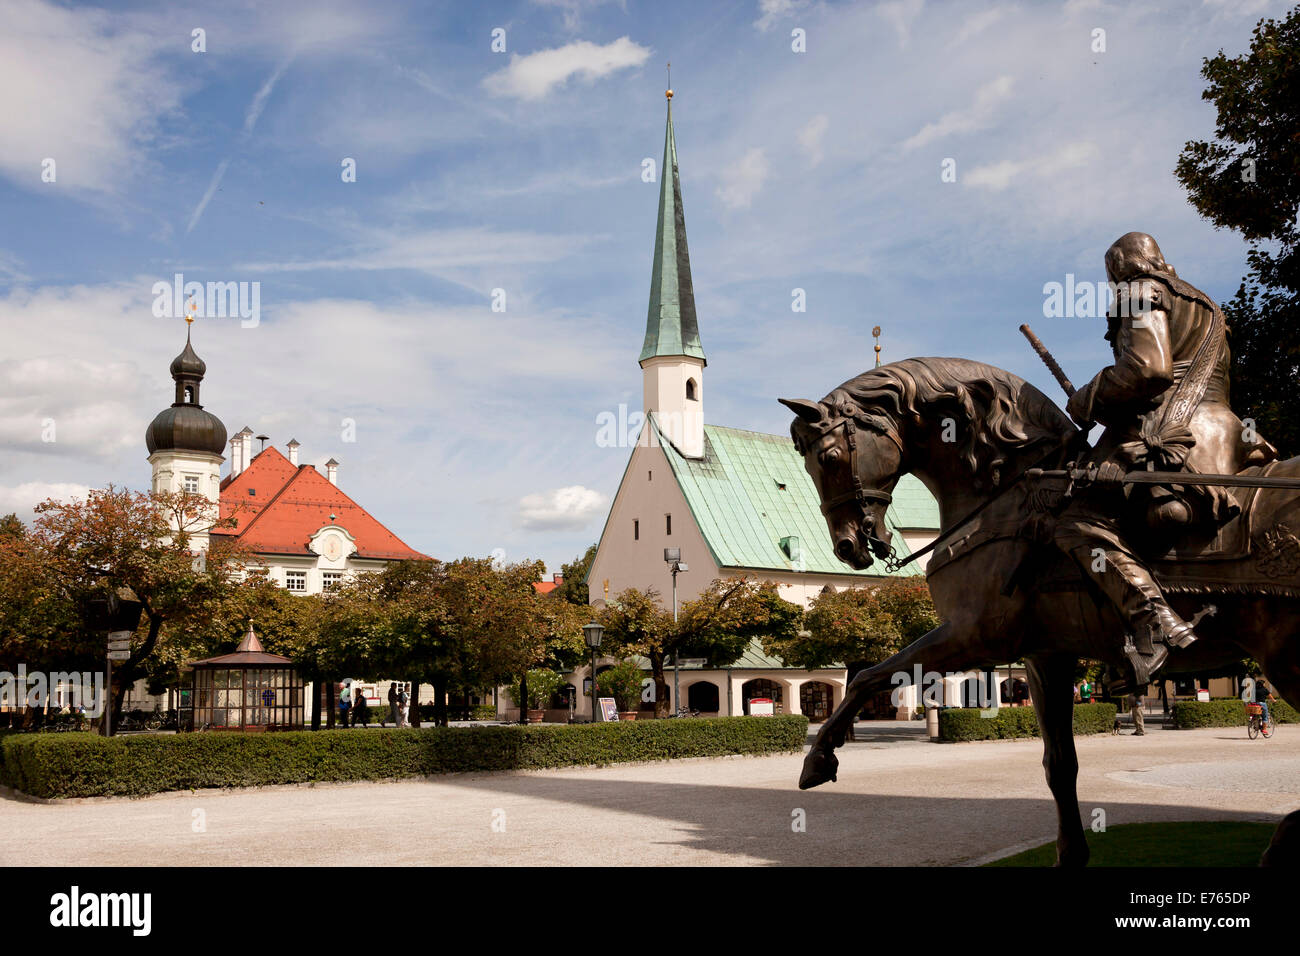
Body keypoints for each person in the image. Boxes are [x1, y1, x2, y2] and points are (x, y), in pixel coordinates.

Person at [1054, 233, 1277, 691]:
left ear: (1121, 269)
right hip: (1227, 431)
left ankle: (1152, 624)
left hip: (1174, 433)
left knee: (1075, 523)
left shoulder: (1140, 292)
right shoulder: (1207, 306)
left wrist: (1087, 397)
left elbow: (1148, 369)